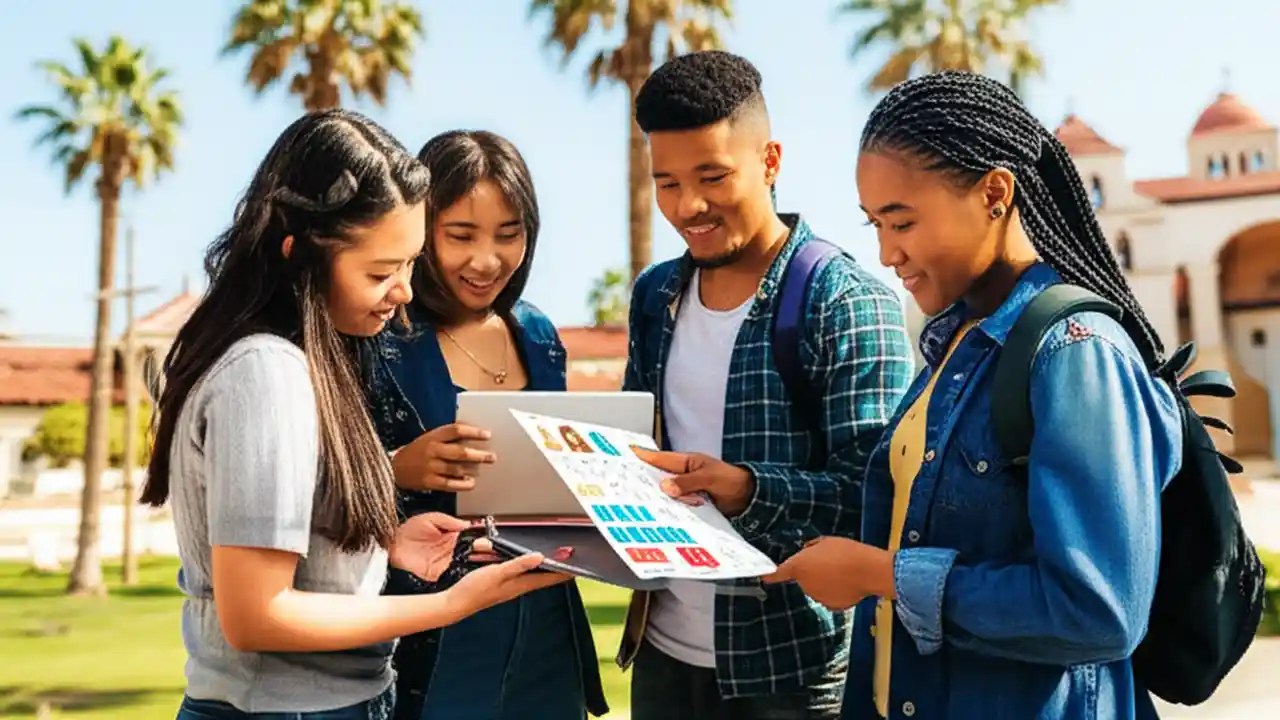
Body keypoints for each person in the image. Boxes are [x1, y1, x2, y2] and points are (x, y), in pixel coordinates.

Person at [765, 71, 1183, 720]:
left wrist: (879, 575)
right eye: (874, 224)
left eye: (902, 222)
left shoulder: (1075, 351)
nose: (886, 252)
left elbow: (1098, 611)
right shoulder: (953, 344)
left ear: (994, 193)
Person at [141, 109, 566, 720]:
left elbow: (286, 530)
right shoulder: (266, 371)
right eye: (381, 272)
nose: (404, 294)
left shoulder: (299, 361)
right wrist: (452, 605)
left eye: (410, 265)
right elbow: (257, 614)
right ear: (299, 256)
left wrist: (384, 543)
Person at [617, 50, 916, 720]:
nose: (688, 206)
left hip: (792, 670)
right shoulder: (654, 296)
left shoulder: (847, 301)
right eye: (666, 183)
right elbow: (636, 450)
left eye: (713, 176)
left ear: (770, 161)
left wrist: (749, 490)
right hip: (663, 656)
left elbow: (876, 503)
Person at [363, 129, 608, 720]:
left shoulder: (538, 334)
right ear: (421, 230)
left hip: (545, 621)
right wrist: (394, 468)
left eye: (508, 234)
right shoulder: (380, 334)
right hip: (433, 633)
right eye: (461, 235)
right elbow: (317, 479)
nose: (486, 260)